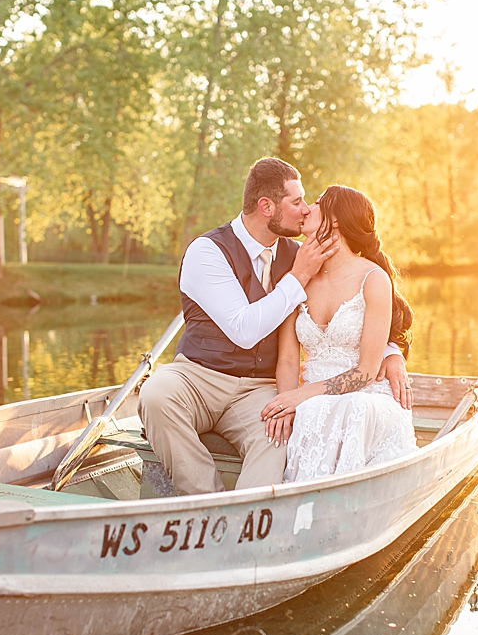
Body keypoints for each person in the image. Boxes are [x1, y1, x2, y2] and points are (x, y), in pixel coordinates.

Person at [140, 157, 411, 496]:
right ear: (266, 207)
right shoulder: (207, 252)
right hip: (200, 376)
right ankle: (207, 503)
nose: (305, 209)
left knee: (278, 433)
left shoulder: (303, 254)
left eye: (308, 202)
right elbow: (243, 329)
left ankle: (251, 515)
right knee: (155, 395)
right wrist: (297, 276)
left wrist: (391, 352)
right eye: (296, 202)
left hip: (258, 387)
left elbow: (364, 300)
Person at [262, 185, 420, 479]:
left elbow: (366, 372)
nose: (307, 208)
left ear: (335, 220)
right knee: (309, 413)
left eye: (318, 202)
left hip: (362, 393)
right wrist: (287, 402)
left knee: (352, 408)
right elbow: (286, 360)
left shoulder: (373, 280)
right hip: (311, 398)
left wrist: (303, 396)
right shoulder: (297, 280)